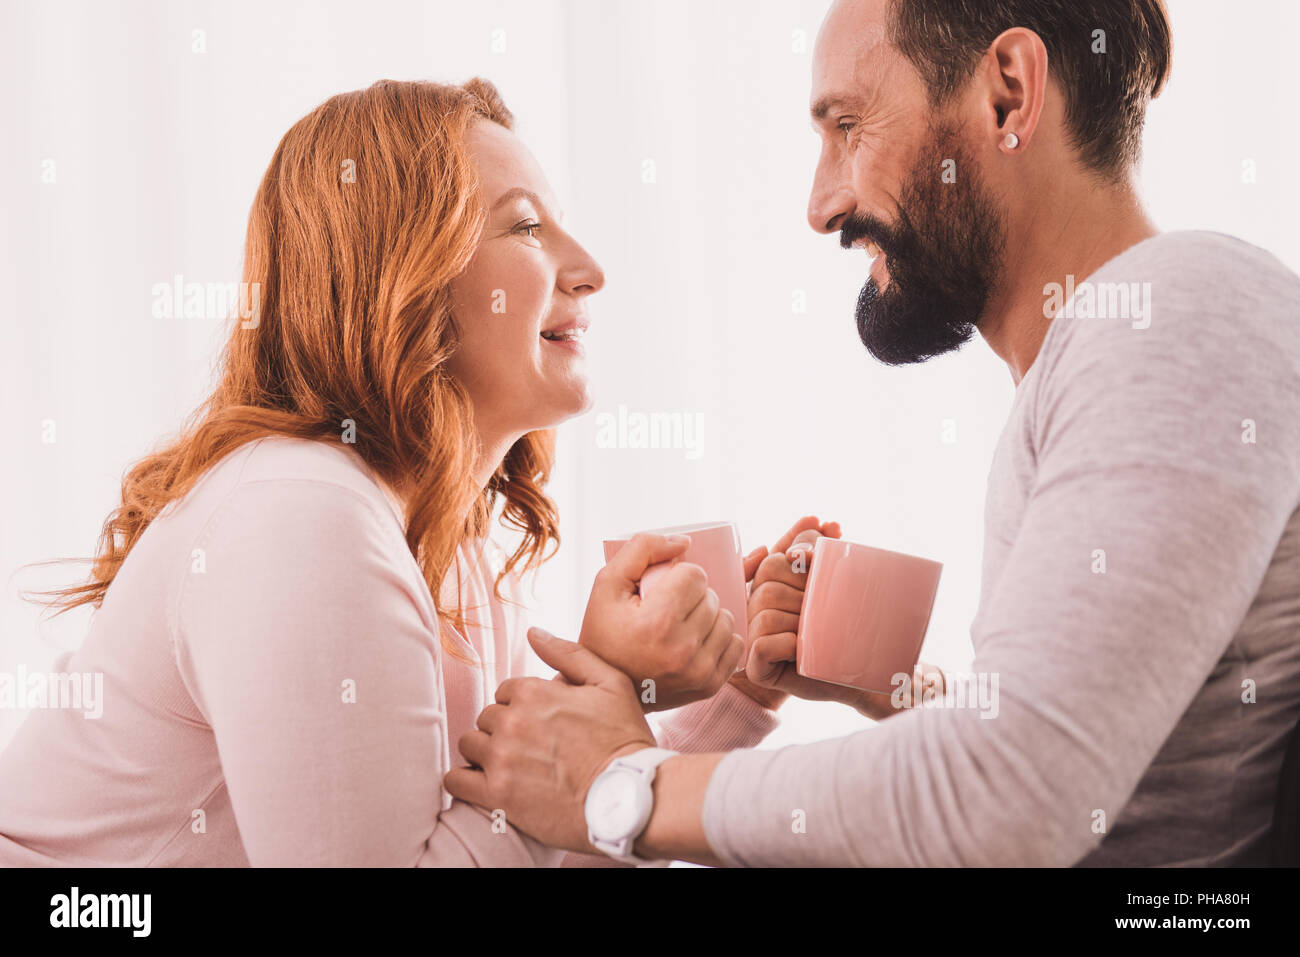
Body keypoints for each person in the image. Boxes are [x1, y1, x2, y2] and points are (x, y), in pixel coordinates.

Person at [448, 0, 1300, 866]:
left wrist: (621, 783)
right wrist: (903, 691)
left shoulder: (1179, 311)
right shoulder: (1110, 348)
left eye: (848, 126)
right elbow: (1101, 783)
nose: (822, 206)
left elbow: (1012, 799)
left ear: (1009, 95)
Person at [0, 78, 816, 866]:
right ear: (406, 275)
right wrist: (604, 682)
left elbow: (532, 844)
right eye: (527, 228)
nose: (590, 268)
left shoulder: (448, 543)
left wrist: (727, 697)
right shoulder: (303, 512)